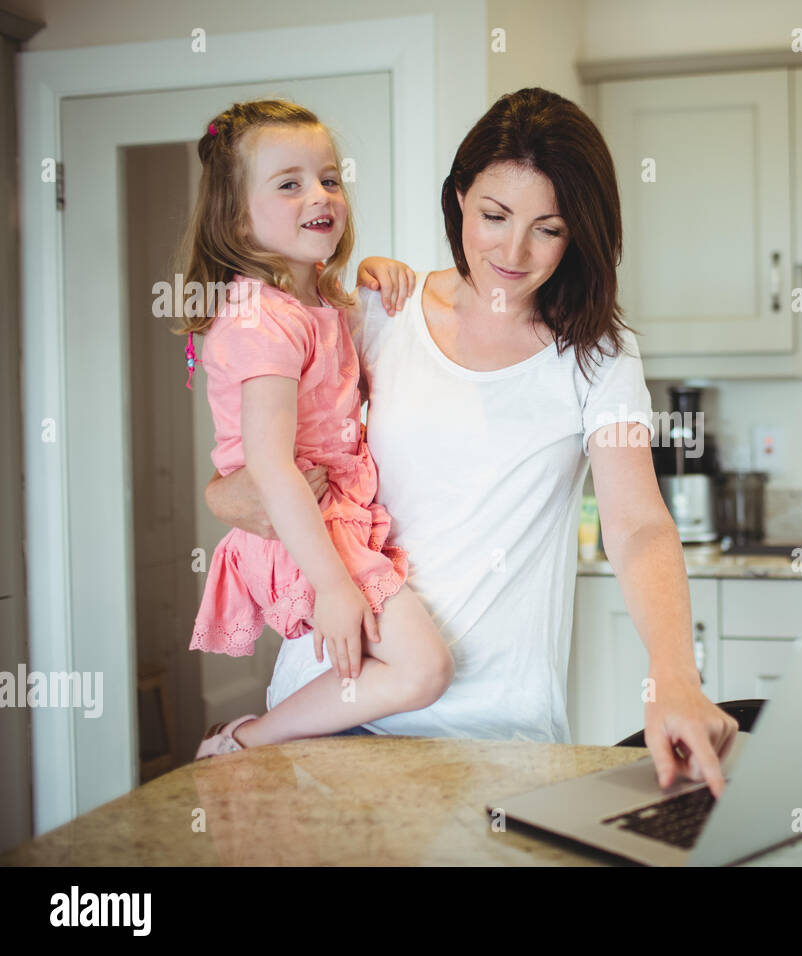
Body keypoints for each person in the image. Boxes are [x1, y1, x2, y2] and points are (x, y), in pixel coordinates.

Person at [205, 88, 738, 796]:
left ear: (580, 231)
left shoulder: (599, 353)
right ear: (459, 198)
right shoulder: (377, 313)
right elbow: (258, 458)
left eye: (548, 228)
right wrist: (224, 496)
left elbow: (637, 525)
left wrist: (674, 675)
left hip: (498, 737)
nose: (513, 252)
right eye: (494, 216)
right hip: (329, 708)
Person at [176, 99, 454, 759]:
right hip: (302, 526)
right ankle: (248, 738)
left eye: (329, 178)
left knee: (413, 670)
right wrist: (332, 586)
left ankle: (262, 739)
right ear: (236, 217)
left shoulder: (315, 301)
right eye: (289, 183)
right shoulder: (258, 320)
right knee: (424, 668)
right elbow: (271, 467)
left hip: (329, 515)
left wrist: (366, 278)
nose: (320, 194)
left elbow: (348, 361)